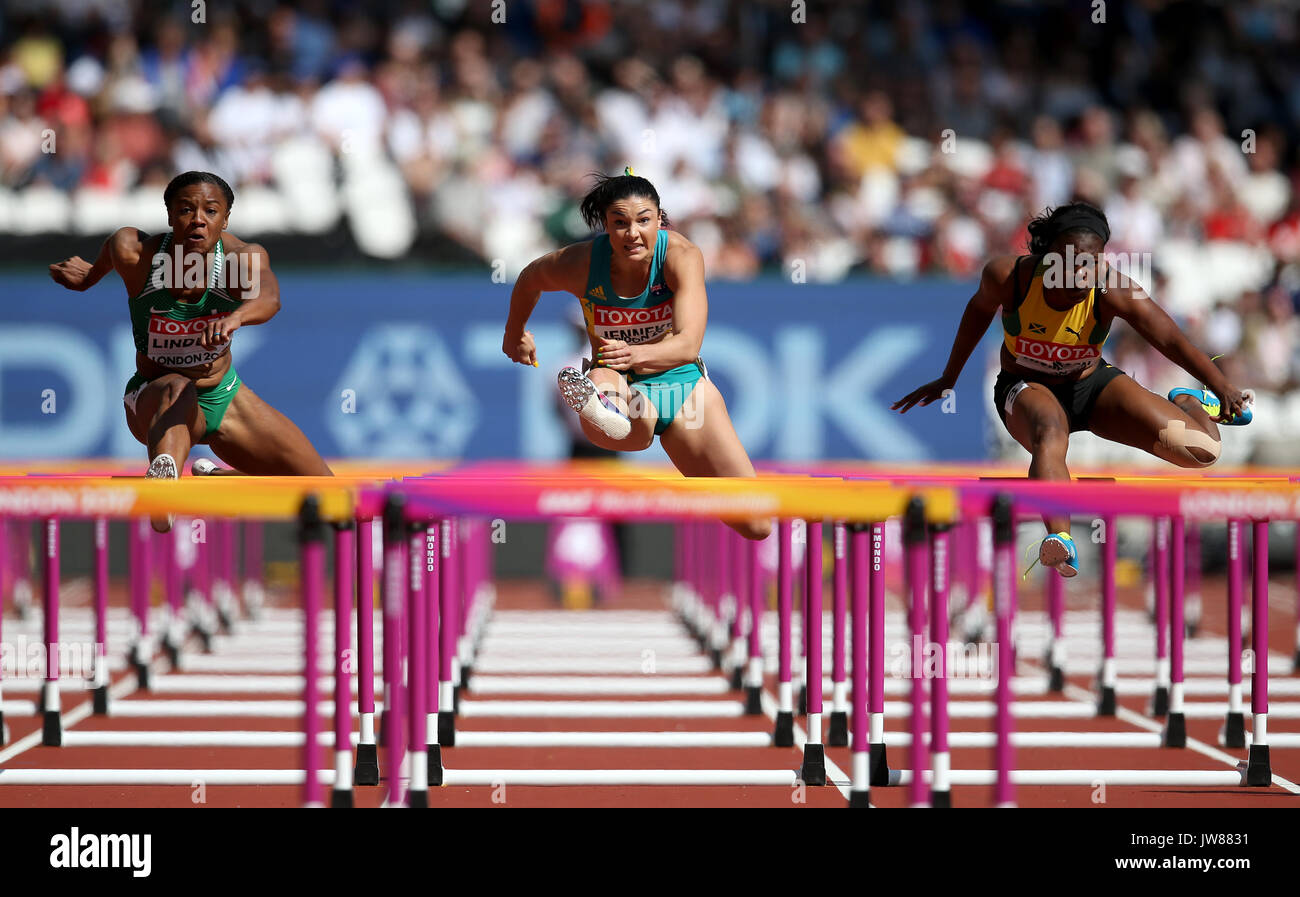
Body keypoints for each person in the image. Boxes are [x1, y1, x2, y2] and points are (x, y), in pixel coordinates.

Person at [893, 201, 1251, 577]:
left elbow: (1172, 340)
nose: (1084, 273)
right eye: (1073, 261)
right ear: (1049, 258)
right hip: (1025, 386)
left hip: (1090, 385)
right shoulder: (1009, 277)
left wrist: (1221, 385)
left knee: (1203, 452)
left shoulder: (1114, 289)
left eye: (1094, 261)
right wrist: (950, 377)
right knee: (1050, 428)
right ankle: (1060, 540)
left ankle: (1189, 402)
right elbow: (979, 311)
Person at [49, 170, 331, 531]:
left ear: (225, 219)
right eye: (186, 210)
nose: (198, 220)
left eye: (211, 211)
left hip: (222, 395)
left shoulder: (240, 260)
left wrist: (236, 318)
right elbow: (111, 252)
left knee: (326, 488)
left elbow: (270, 298)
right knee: (177, 387)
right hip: (154, 398)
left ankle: (222, 478)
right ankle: (164, 486)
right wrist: (89, 277)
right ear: (169, 216)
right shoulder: (137, 255)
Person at [502, 168, 771, 541]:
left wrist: (634, 352)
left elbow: (688, 344)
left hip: (683, 386)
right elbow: (530, 277)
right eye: (620, 223)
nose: (633, 234)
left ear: (659, 219)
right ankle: (612, 411)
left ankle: (636, 415)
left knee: (756, 525)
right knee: (617, 400)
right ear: (606, 227)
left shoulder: (681, 256)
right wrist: (514, 334)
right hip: (614, 378)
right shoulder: (581, 264)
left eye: (644, 221)